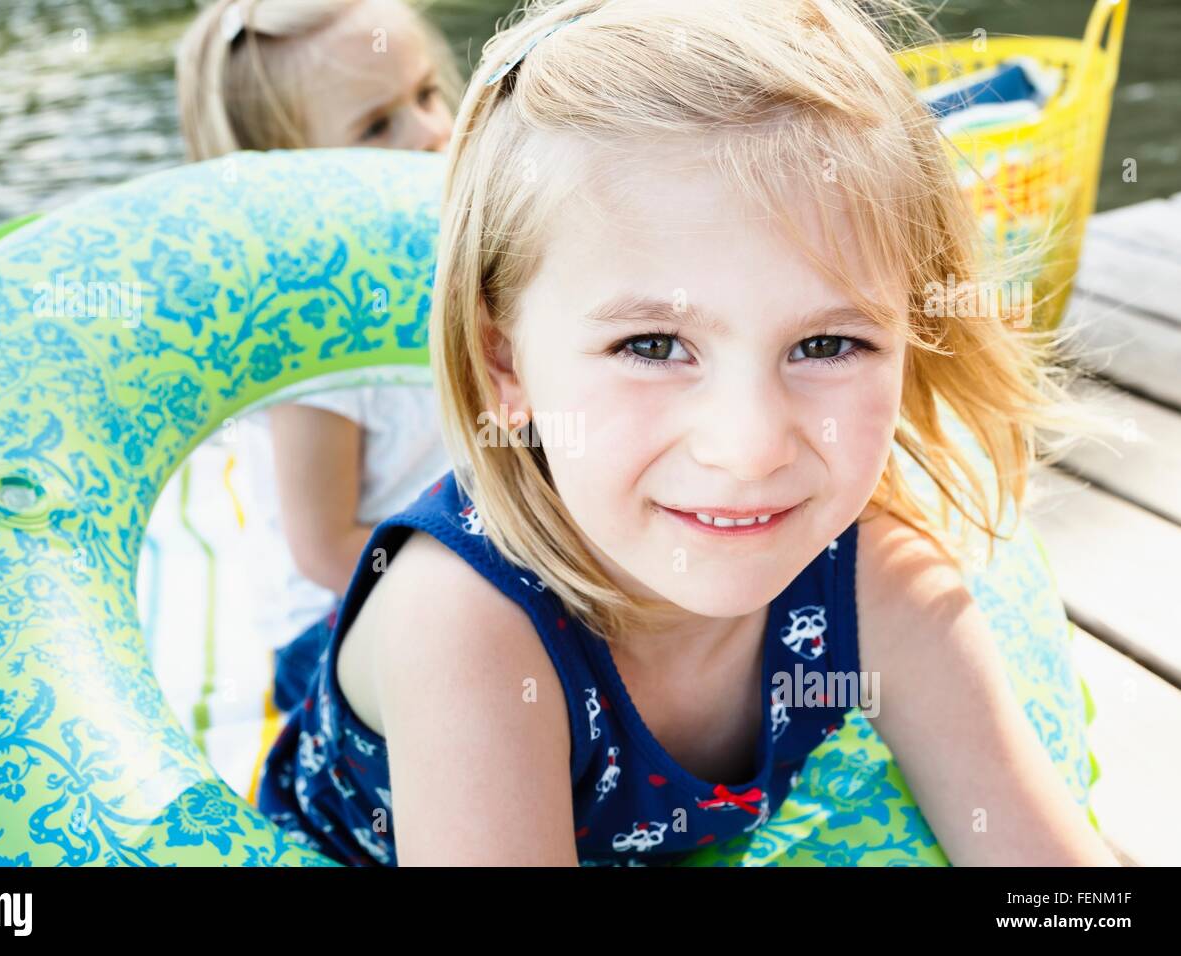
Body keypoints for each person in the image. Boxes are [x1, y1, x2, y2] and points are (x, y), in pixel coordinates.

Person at [257, 0, 1121, 867]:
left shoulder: (876, 585)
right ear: (504, 364)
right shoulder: (467, 630)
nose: (749, 448)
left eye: (827, 343)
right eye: (653, 346)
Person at [174, 0, 460, 675]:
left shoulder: (451, 264)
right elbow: (325, 548)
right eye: (376, 124)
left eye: (425, 94)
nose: (428, 131)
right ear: (293, 172)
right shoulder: (318, 337)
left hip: (466, 566)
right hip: (343, 620)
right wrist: (492, 574)